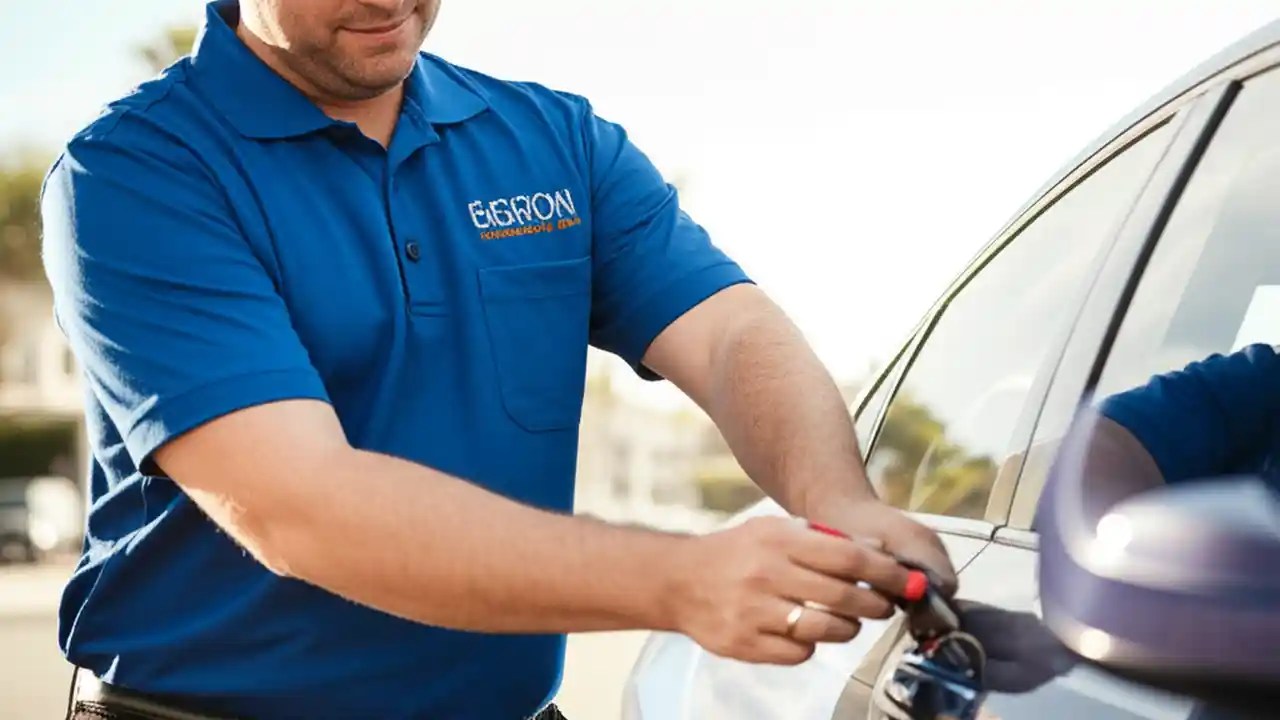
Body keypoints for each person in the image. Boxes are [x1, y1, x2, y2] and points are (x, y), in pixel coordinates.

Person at [41, 1, 955, 718]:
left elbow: (728, 334)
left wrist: (832, 497)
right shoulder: (136, 174)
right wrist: (680, 580)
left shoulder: (554, 142)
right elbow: (297, 507)